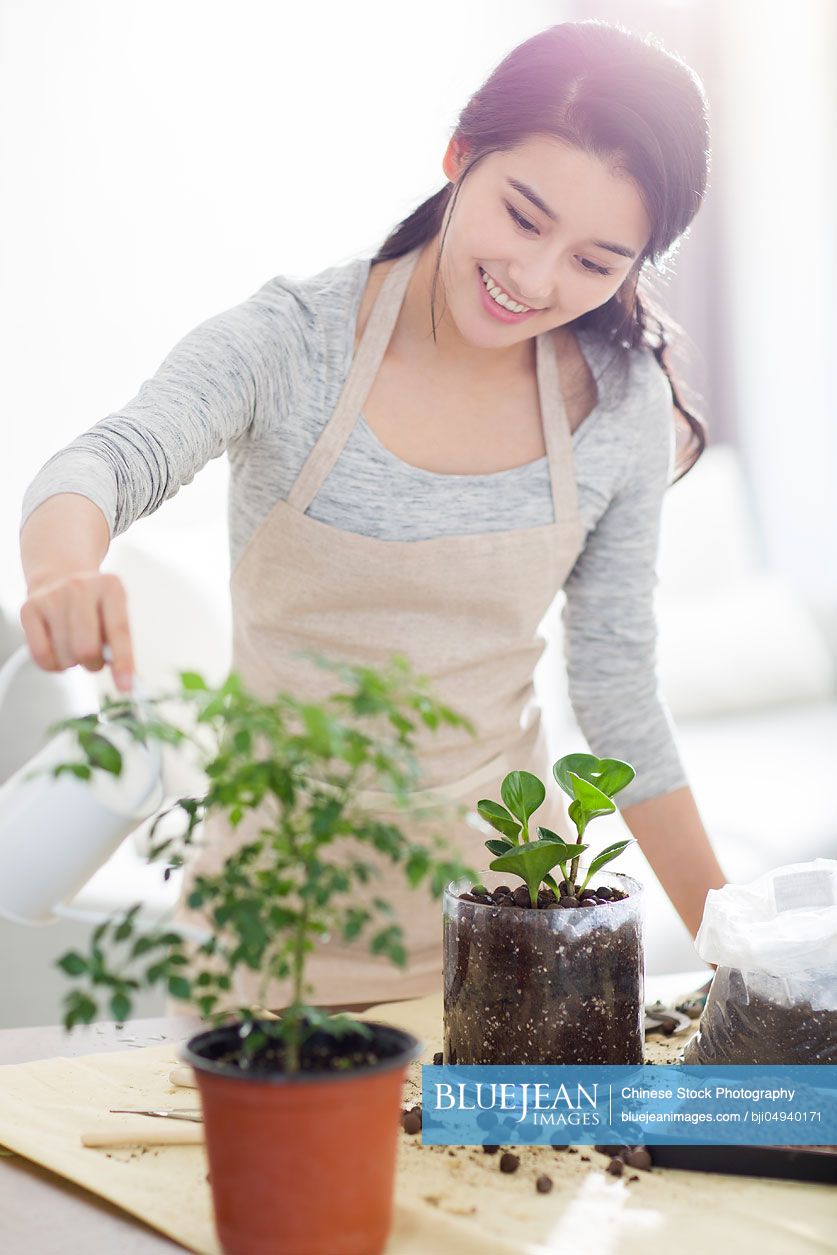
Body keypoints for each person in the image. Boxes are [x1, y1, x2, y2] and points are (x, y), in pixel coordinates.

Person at [18, 20, 727, 1013]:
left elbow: (617, 698)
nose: (534, 280)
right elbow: (104, 461)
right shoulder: (290, 344)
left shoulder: (619, 402)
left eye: (594, 262)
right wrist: (59, 573)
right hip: (273, 936)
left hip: (510, 945)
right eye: (523, 218)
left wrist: (748, 969)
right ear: (458, 158)